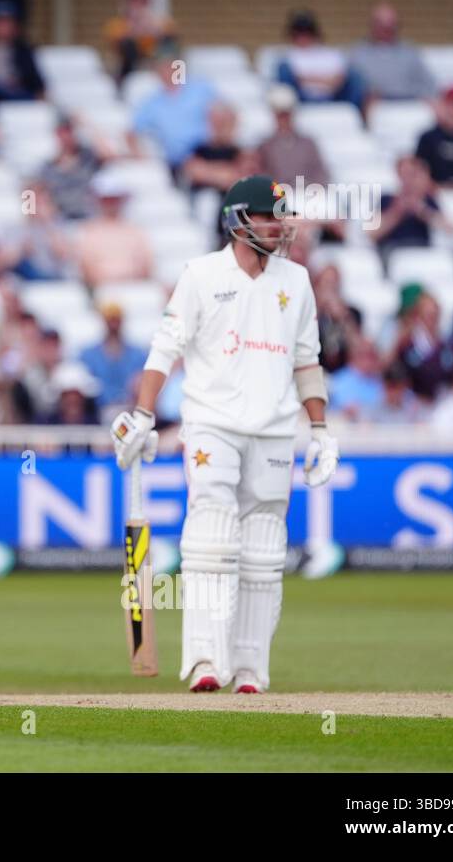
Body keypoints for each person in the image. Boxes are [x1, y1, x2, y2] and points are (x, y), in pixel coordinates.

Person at [111, 175, 339, 694]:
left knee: (263, 549)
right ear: (239, 219)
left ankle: (251, 669)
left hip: (276, 429)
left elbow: (308, 361)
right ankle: (205, 660)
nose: (278, 225)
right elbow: (164, 349)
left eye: (281, 216)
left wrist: (320, 429)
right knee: (212, 537)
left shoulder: (296, 280)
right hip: (212, 422)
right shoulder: (200, 274)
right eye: (267, 215)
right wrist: (145, 415)